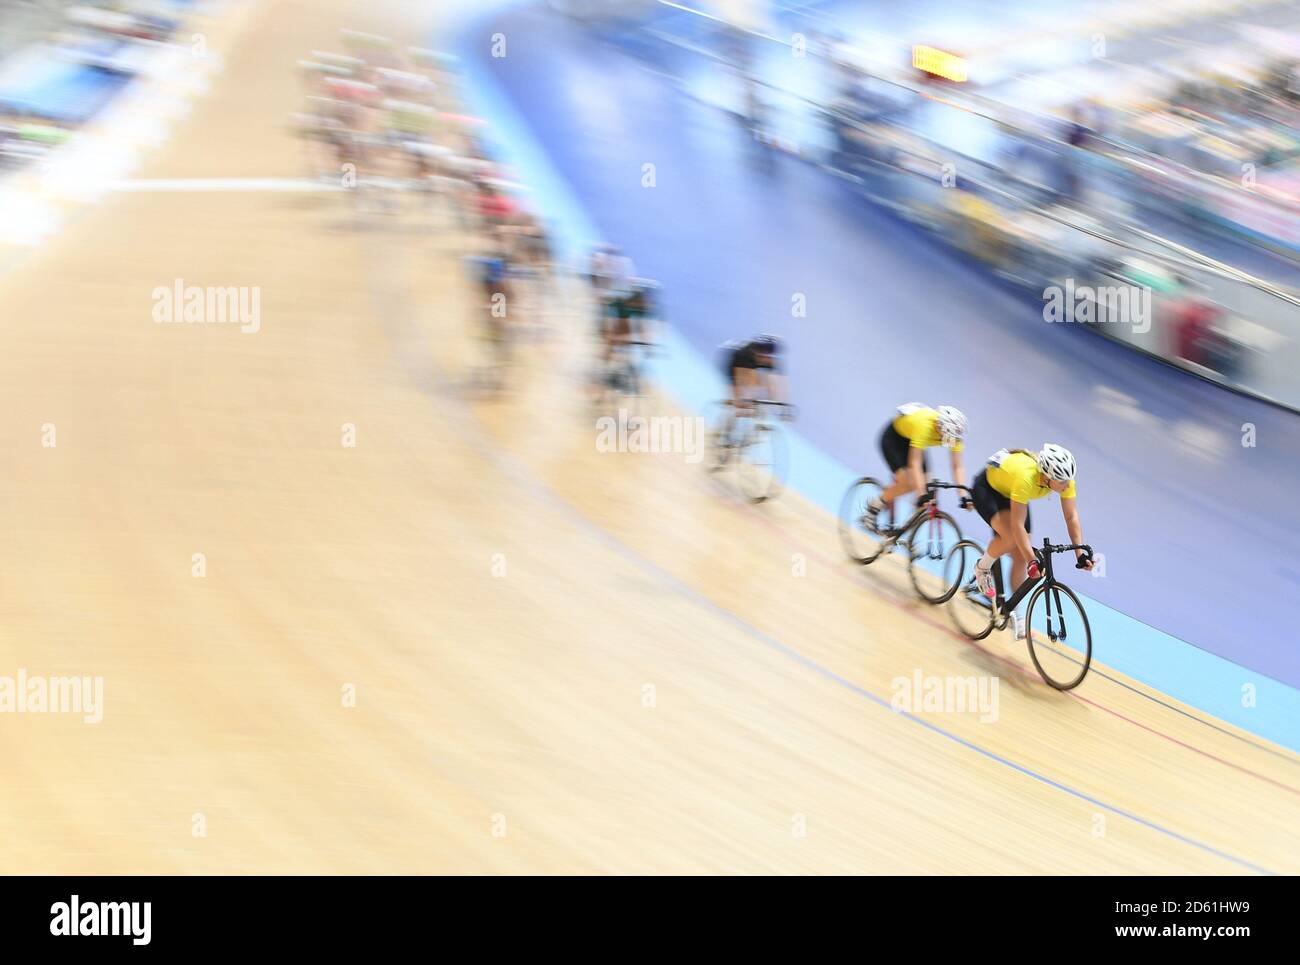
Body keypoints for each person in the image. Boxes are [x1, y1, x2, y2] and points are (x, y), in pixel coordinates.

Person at [969, 444, 1093, 638]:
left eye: (1069, 480)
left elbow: (1071, 517)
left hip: (1013, 493)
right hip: (987, 489)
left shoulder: (1065, 480)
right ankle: (982, 567)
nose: (1067, 485)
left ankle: (1014, 613)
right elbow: (1017, 526)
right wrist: (1032, 561)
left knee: (1020, 555)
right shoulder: (1026, 477)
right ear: (1046, 476)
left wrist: (1079, 553)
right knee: (1010, 539)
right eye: (1062, 481)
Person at [866, 403, 968, 532]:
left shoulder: (954, 434)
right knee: (909, 484)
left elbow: (957, 466)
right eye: (947, 436)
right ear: (939, 427)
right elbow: (915, 463)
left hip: (913, 441)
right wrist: (921, 494)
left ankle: (906, 535)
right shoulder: (925, 425)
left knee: (928, 488)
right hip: (894, 440)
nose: (950, 440)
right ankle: (875, 505)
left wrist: (963, 495)